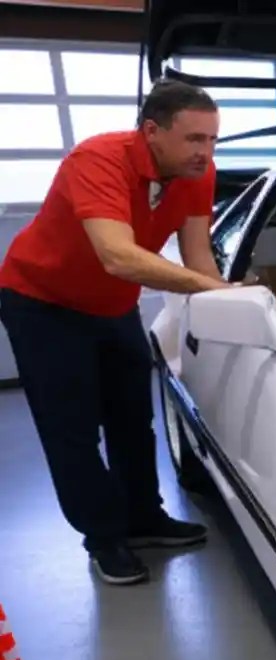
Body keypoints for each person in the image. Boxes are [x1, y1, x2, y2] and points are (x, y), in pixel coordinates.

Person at [0, 79, 231, 585]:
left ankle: (144, 518)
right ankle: (104, 537)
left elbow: (198, 255)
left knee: (132, 418)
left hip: (112, 303)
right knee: (73, 429)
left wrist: (233, 302)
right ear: (152, 131)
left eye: (213, 140)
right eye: (195, 139)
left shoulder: (198, 174)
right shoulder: (98, 160)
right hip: (44, 304)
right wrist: (212, 291)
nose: (206, 152)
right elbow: (117, 255)